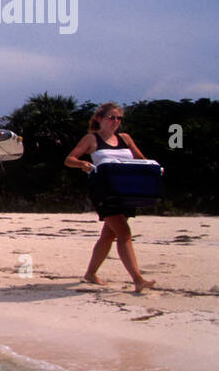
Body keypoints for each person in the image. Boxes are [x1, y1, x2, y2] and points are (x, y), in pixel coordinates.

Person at [64, 102, 156, 291]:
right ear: (99, 118)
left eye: (119, 118)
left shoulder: (125, 138)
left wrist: (154, 169)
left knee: (108, 235)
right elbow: (69, 160)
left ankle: (90, 273)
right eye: (111, 117)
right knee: (124, 232)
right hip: (104, 191)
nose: (116, 122)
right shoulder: (91, 139)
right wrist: (83, 164)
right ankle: (138, 279)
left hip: (127, 191)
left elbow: (141, 159)